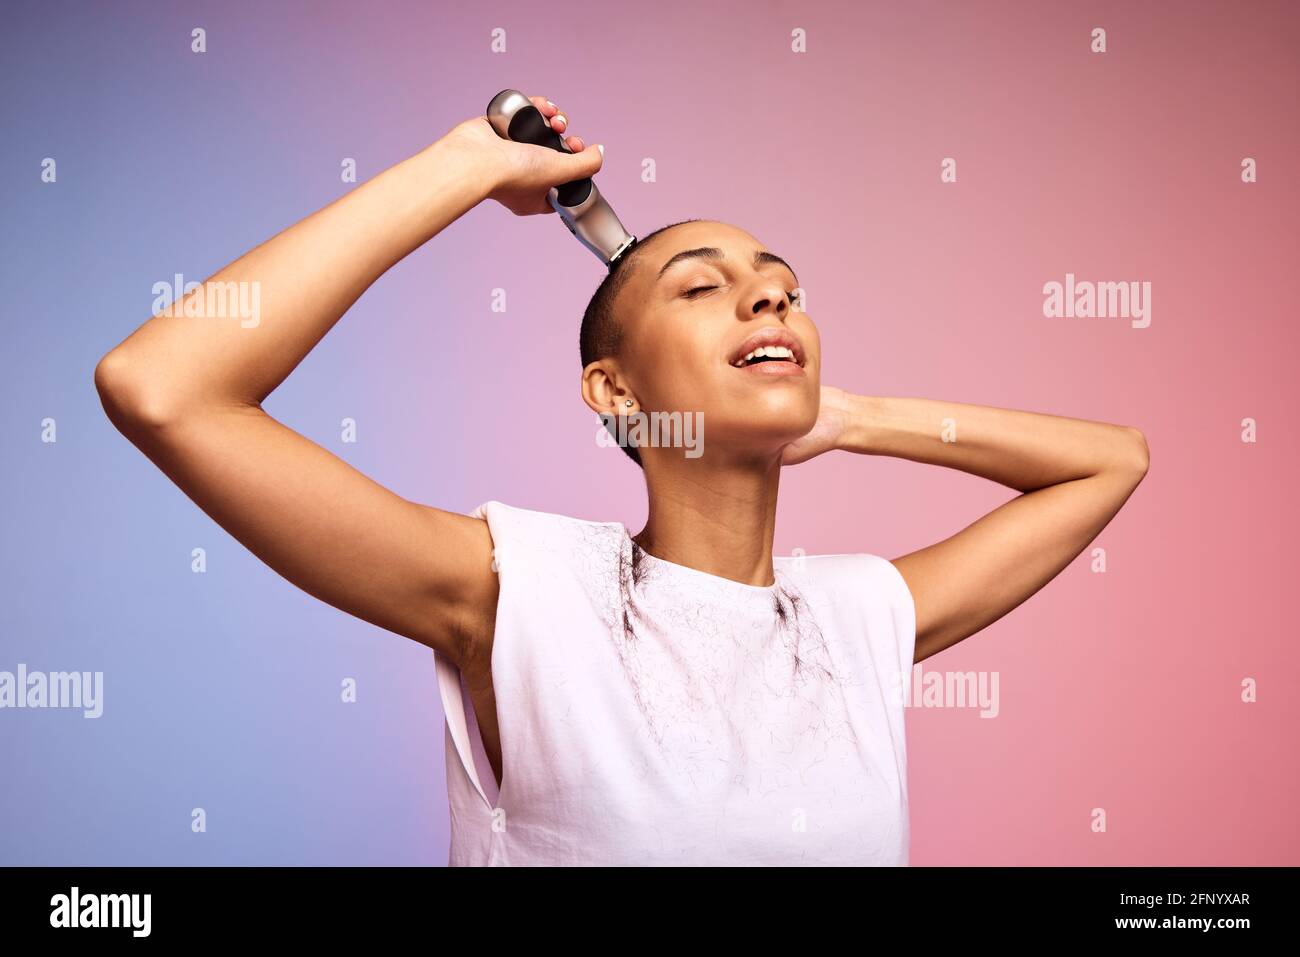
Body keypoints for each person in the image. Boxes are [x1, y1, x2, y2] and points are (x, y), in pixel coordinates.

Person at [94, 94, 1150, 866]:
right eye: (704, 287)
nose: (769, 303)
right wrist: (466, 167)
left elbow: (1111, 461)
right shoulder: (522, 593)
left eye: (785, 292)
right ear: (611, 390)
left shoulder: (852, 617)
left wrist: (855, 418)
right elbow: (164, 388)